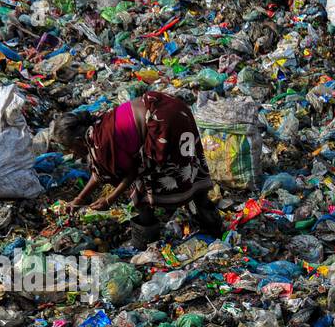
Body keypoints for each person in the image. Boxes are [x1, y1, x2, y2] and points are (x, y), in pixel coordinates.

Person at [51, 92, 224, 248]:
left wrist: (110, 199)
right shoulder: (96, 126)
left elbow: (132, 172)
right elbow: (99, 173)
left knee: (142, 186)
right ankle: (212, 223)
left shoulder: (100, 142)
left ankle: (146, 240)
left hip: (162, 122)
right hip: (175, 108)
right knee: (188, 166)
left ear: (79, 140)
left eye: (71, 148)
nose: (73, 155)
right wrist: (79, 198)